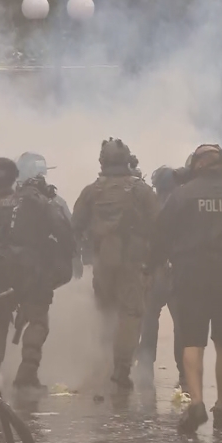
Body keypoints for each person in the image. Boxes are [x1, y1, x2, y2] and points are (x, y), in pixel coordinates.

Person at [149, 144, 222, 433]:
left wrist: (153, 266)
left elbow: (160, 235)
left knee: (193, 343)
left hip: (191, 279)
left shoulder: (182, 195)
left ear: (198, 164)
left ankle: (197, 403)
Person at [0, 156, 75, 391]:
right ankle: (26, 373)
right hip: (32, 275)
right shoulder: (35, 201)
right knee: (38, 320)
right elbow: (65, 233)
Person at [71, 138, 160, 389]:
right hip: (132, 261)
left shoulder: (92, 190)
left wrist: (80, 257)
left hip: (102, 261)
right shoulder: (140, 190)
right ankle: (121, 367)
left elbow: (75, 226)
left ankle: (101, 363)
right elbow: (159, 226)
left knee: (105, 310)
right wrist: (154, 261)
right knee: (130, 313)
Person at [134, 165, 185, 389]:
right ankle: (184, 370)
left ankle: (145, 367)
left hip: (155, 271)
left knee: (148, 320)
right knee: (181, 324)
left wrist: (147, 267)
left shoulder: (150, 205)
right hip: (176, 271)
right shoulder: (183, 203)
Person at [16, 151, 83, 280]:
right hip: (43, 271)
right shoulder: (55, 202)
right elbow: (69, 231)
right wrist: (75, 257)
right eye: (39, 175)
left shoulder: (9, 200)